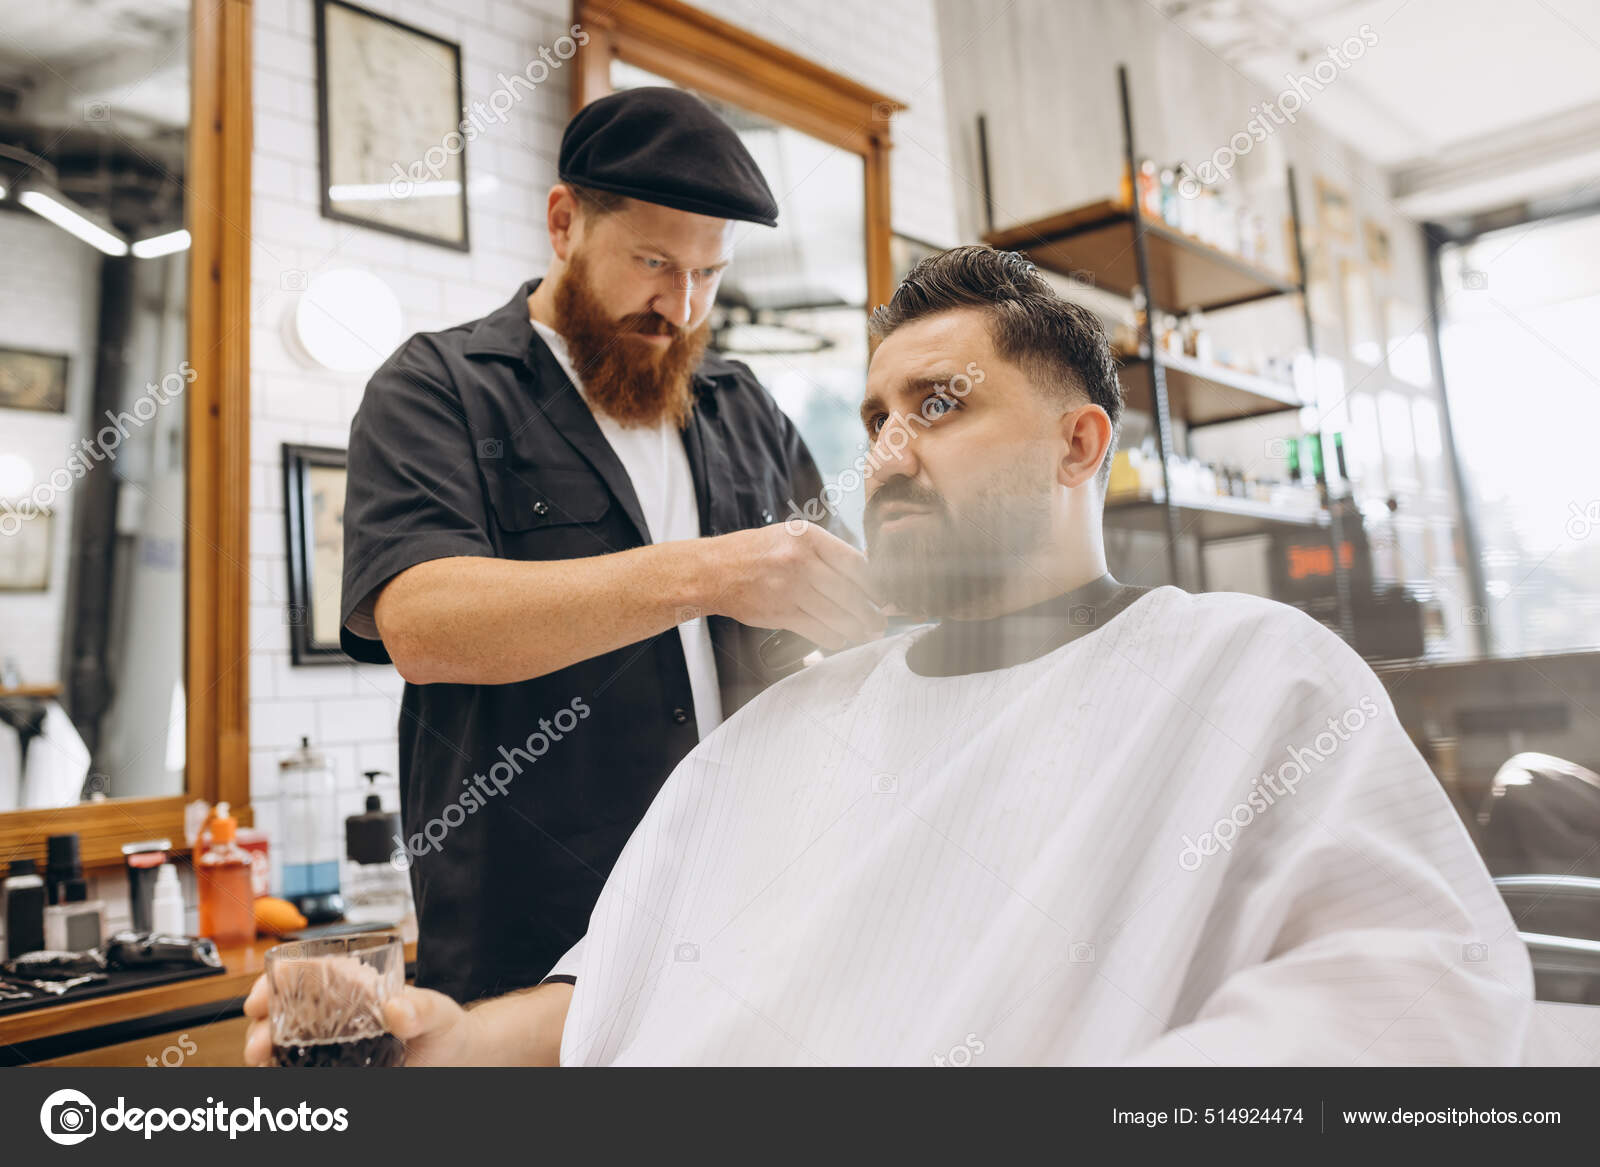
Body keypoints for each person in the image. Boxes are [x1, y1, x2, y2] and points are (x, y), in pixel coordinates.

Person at [255, 245, 1531, 1065]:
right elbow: (633, 988)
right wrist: (425, 1043)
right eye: (873, 417)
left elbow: (1412, 995)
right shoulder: (790, 731)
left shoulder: (1248, 675)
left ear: (1080, 445)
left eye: (941, 404)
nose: (889, 449)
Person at [337, 86, 882, 1004]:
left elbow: (852, 610)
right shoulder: (439, 388)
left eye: (711, 274)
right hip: (534, 941)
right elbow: (425, 626)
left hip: (745, 917)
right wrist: (711, 570)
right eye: (655, 262)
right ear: (564, 223)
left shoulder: (741, 405)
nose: (682, 305)